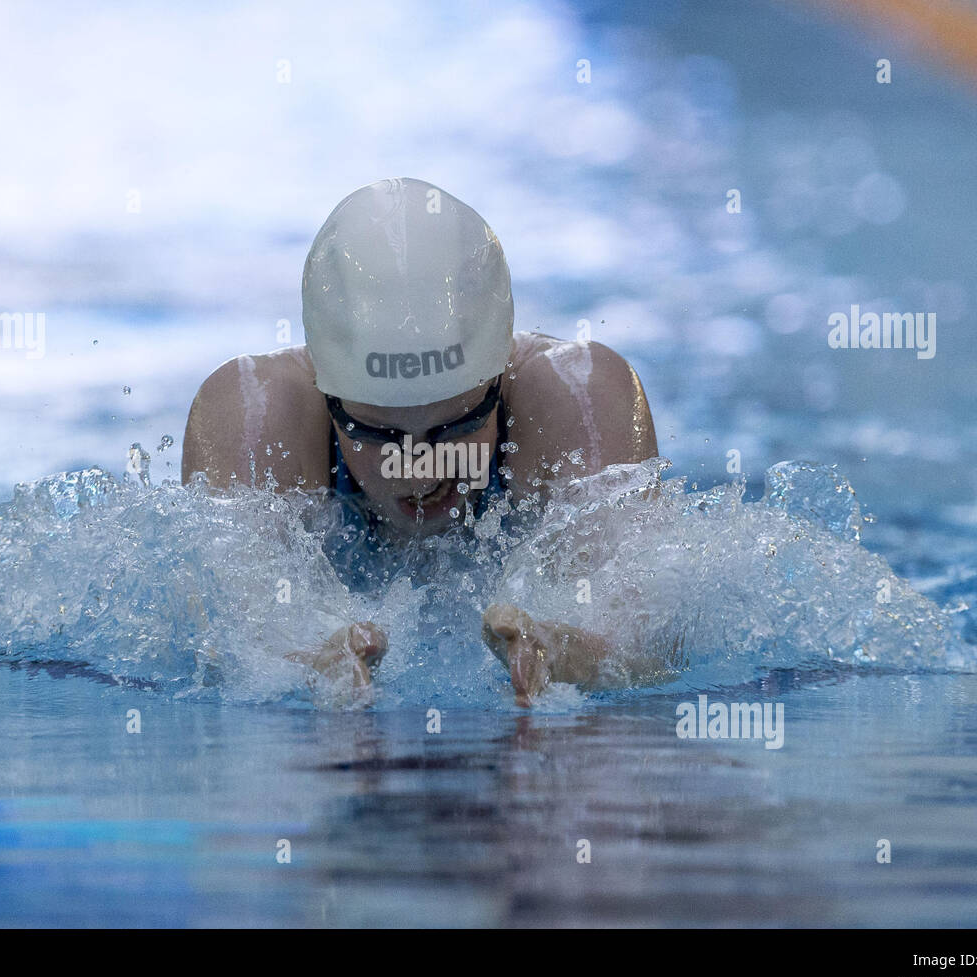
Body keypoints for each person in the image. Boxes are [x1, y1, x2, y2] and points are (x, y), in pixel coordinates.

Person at [183, 177, 661, 706]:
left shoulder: (577, 394)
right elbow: (231, 645)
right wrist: (312, 661)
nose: (420, 472)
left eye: (455, 426)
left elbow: (643, 642)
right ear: (326, 393)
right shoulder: (254, 411)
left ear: (500, 379)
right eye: (376, 434)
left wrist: (559, 648)